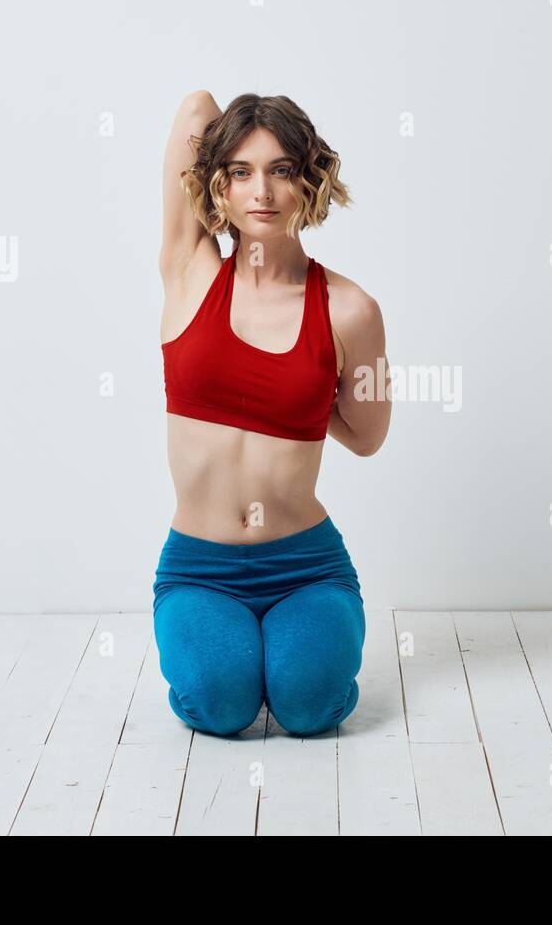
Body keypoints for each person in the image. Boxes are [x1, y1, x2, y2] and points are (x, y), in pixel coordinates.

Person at [152, 91, 390, 737]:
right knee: (220, 706)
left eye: (282, 170)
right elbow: (194, 108)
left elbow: (367, 439)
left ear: (308, 182)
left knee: (310, 708)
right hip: (200, 569)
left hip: (304, 568)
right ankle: (236, 657)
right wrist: (248, 119)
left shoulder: (351, 311)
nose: (262, 190)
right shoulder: (188, 269)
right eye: (241, 171)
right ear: (218, 186)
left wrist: (302, 392)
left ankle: (291, 654)